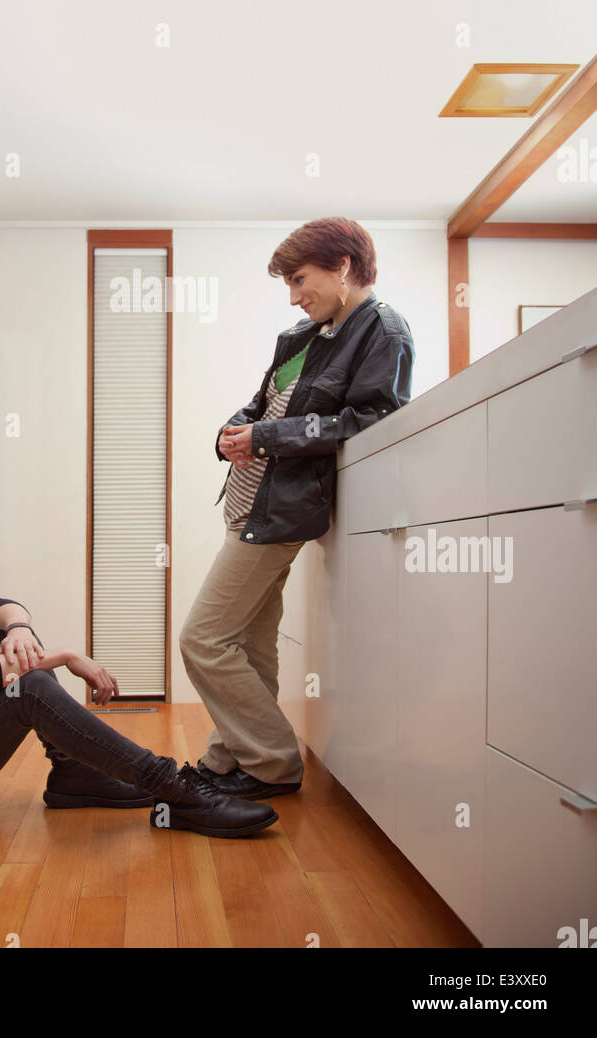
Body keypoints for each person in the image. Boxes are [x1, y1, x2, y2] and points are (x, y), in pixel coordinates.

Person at [0, 488, 276, 838]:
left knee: (15, 643)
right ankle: (176, 790)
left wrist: (18, 629)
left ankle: (75, 777)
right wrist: (66, 657)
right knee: (30, 684)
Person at [180, 217, 415, 800]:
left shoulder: (383, 330)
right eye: (287, 284)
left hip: (280, 515)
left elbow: (370, 421)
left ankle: (274, 763)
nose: (294, 295)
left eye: (300, 279)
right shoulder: (299, 337)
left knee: (202, 640)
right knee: (249, 646)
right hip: (248, 504)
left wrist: (266, 437)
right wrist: (230, 434)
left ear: (342, 267)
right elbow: (260, 405)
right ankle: (227, 760)